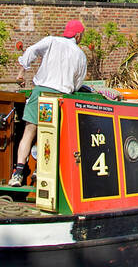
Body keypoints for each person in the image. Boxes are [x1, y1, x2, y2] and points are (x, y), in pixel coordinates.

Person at [9, 19, 88, 187]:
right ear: (78, 35)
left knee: (29, 131)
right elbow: (77, 84)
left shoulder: (51, 40)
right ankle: (42, 168)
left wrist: (21, 73)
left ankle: (18, 173)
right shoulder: (80, 55)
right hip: (60, 97)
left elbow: (31, 51)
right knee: (53, 134)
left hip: (40, 92)